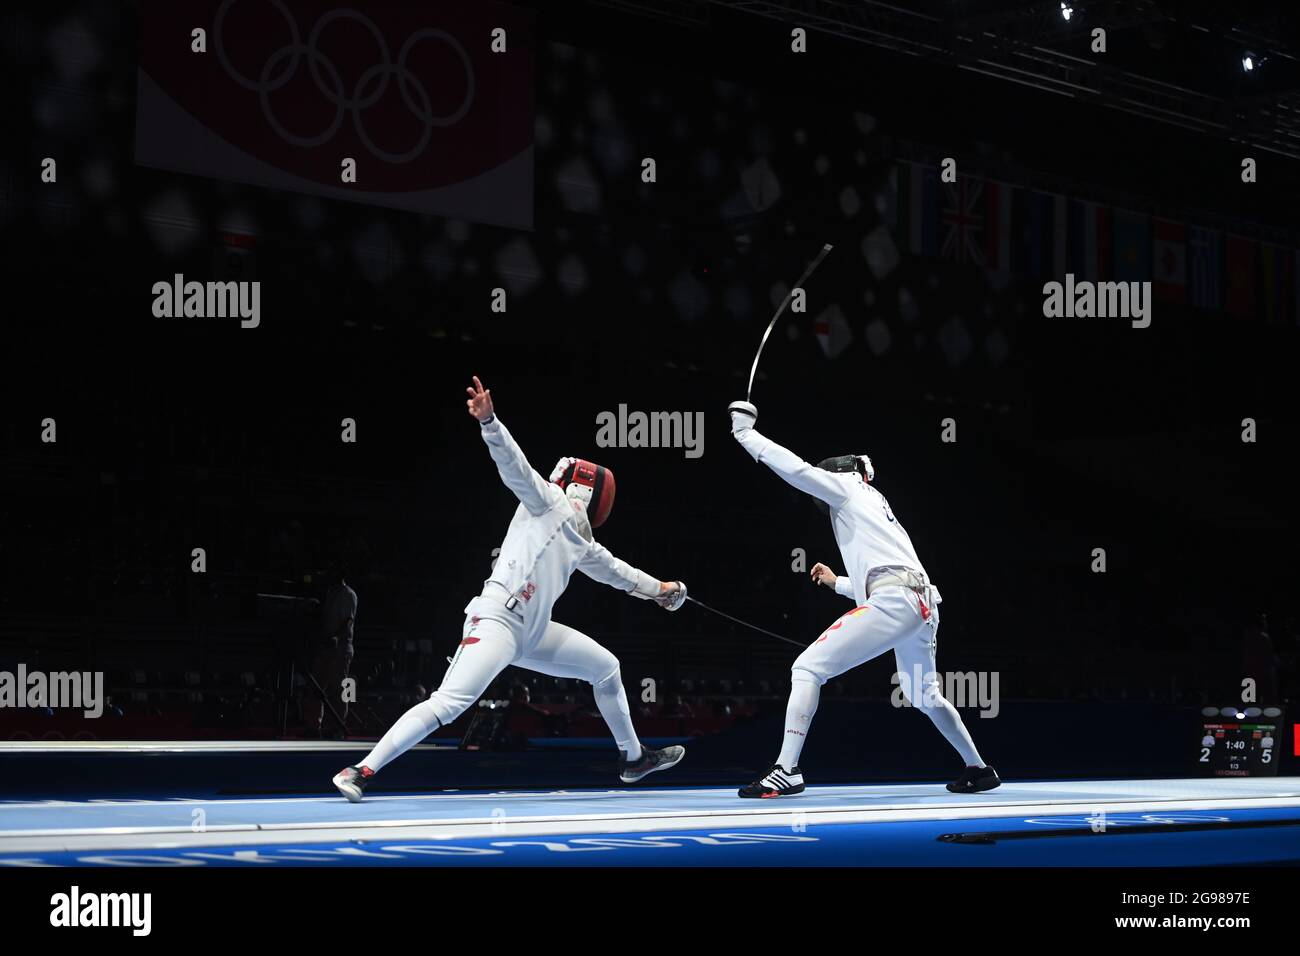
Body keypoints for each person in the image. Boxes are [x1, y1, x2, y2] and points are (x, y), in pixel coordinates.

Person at [332, 377, 688, 801]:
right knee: (449, 704)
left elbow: (621, 574)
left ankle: (633, 759)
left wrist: (662, 589)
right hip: (498, 620)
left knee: (606, 667)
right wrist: (490, 422)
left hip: (534, 632)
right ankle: (360, 769)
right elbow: (514, 466)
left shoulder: (583, 544)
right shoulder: (544, 501)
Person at [727, 400, 998, 797]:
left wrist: (745, 434)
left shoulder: (849, 487)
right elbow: (886, 576)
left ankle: (787, 770)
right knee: (923, 694)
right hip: (921, 605)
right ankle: (979, 769)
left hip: (898, 602)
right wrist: (839, 583)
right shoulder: (878, 505)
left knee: (807, 668)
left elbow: (796, 470)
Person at [307, 565, 357, 738]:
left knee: (340, 689)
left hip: (341, 649)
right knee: (317, 686)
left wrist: (335, 636)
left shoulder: (348, 594)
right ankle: (315, 726)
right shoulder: (329, 593)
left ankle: (338, 727)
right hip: (325, 647)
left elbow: (348, 620)